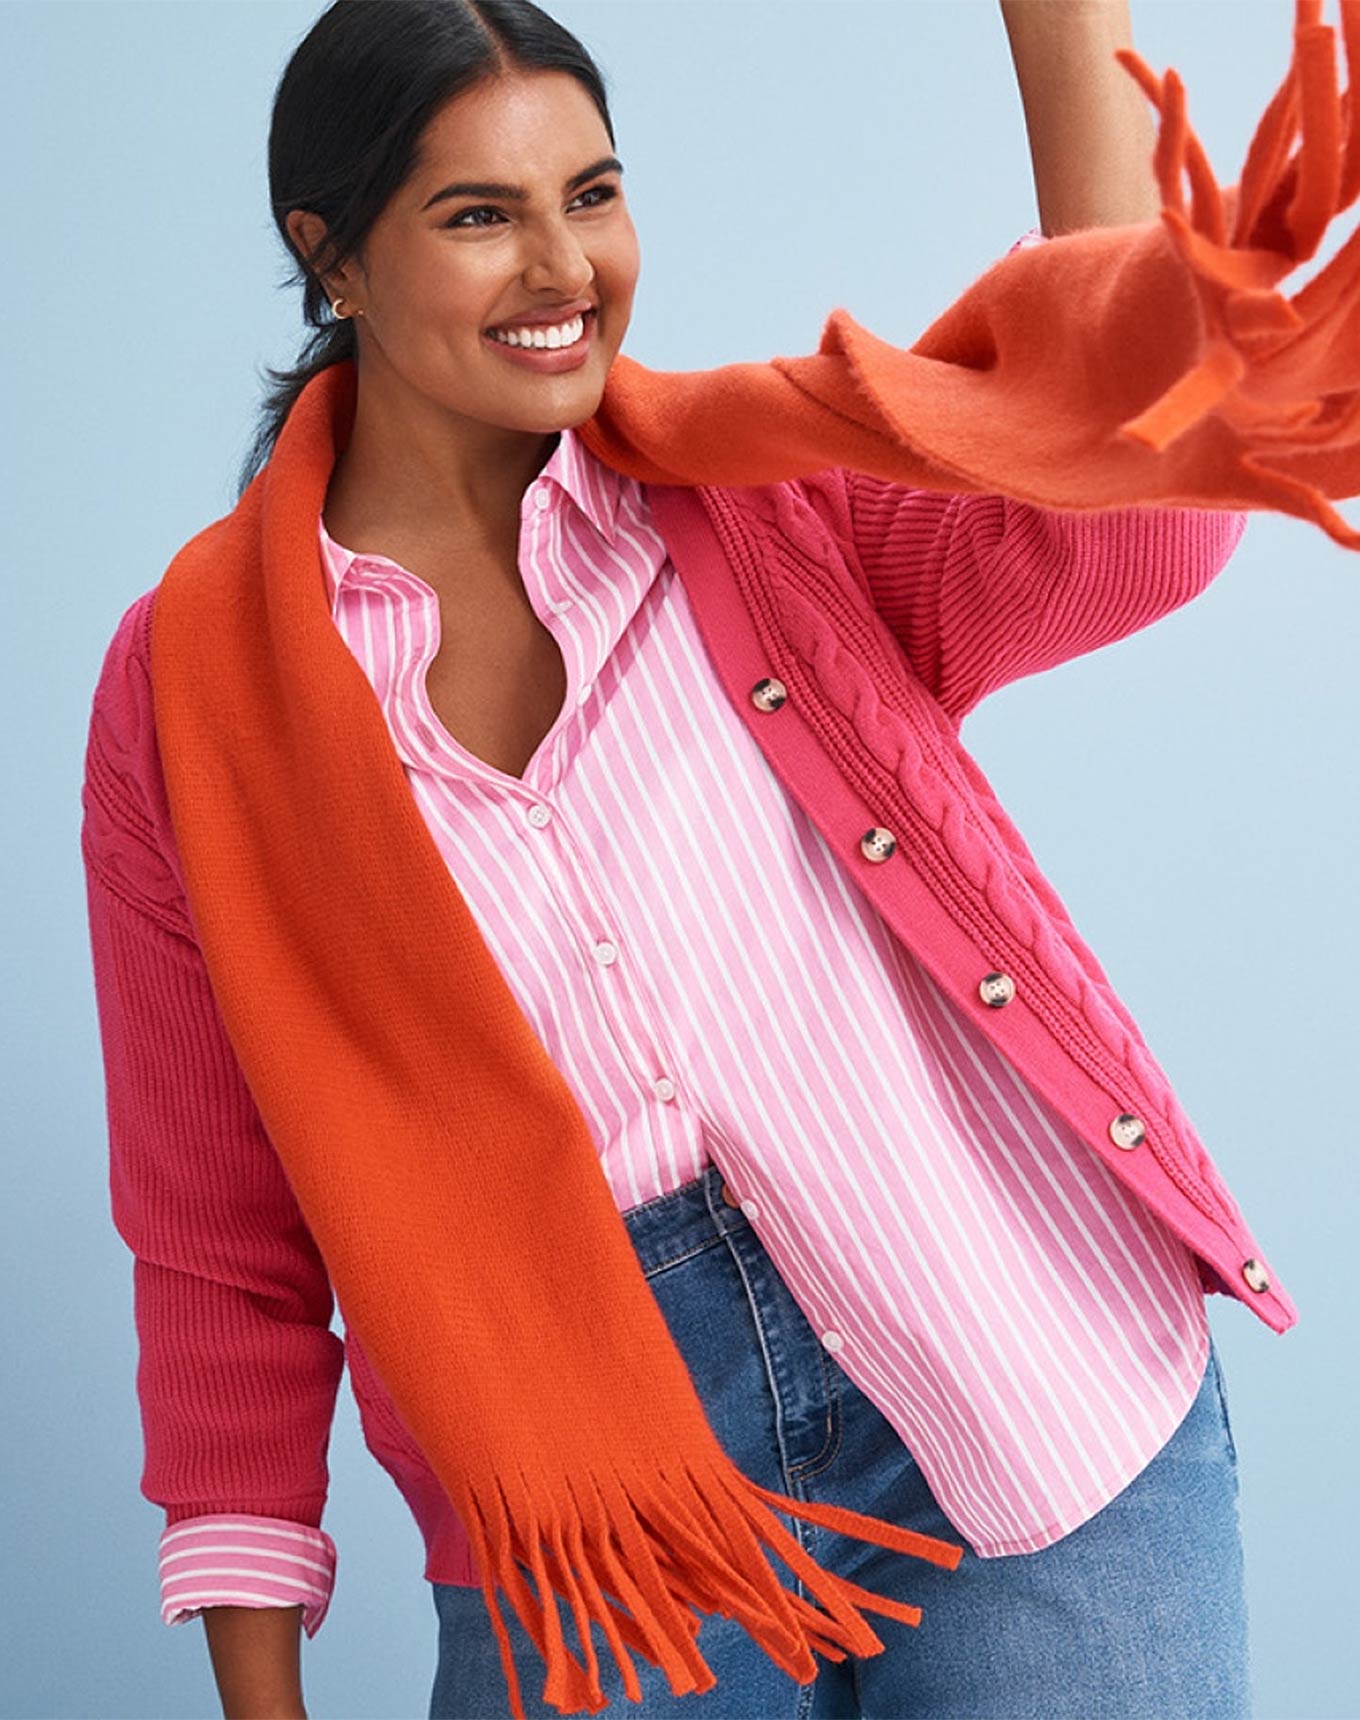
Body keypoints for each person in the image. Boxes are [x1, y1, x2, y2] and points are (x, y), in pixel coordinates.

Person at [81, 1, 1289, 1716]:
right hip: (594, 1515)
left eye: (593, 191)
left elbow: (1144, 514)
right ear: (330, 257)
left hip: (1033, 1397)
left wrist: (1061, 24)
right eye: (479, 213)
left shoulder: (759, 502)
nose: (561, 263)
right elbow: (219, 1240)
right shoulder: (189, 694)